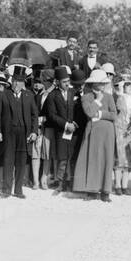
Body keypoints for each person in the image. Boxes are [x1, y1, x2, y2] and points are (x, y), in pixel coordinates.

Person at [0, 67, 40, 198]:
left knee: (21, 162)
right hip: (8, 133)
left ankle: (18, 190)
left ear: (23, 83)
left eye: (18, 81)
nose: (15, 84)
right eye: (14, 81)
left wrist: (34, 132)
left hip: (24, 134)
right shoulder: (3, 95)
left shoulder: (29, 96)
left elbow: (34, 116)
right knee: (8, 160)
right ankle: (7, 189)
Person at [72, 68, 116, 201]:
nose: (102, 86)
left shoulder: (109, 97)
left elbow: (114, 115)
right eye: (99, 83)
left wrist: (101, 114)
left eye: (103, 83)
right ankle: (91, 189)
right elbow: (90, 113)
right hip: (93, 132)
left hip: (108, 133)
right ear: (93, 84)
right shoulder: (86, 97)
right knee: (92, 159)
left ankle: (105, 191)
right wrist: (98, 100)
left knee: (107, 160)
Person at [43, 65, 78, 193]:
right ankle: (60, 181)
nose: (67, 84)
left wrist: (74, 124)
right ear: (57, 82)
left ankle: (71, 181)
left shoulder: (73, 93)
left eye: (68, 81)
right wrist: (65, 125)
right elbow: (51, 115)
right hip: (61, 130)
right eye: (64, 82)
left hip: (74, 129)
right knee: (62, 156)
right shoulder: (52, 95)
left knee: (72, 155)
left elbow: (78, 110)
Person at [113, 75, 131, 194]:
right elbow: (121, 112)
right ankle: (117, 186)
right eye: (126, 85)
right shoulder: (120, 97)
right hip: (121, 129)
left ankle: (125, 186)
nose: (129, 87)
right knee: (120, 159)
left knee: (129, 159)